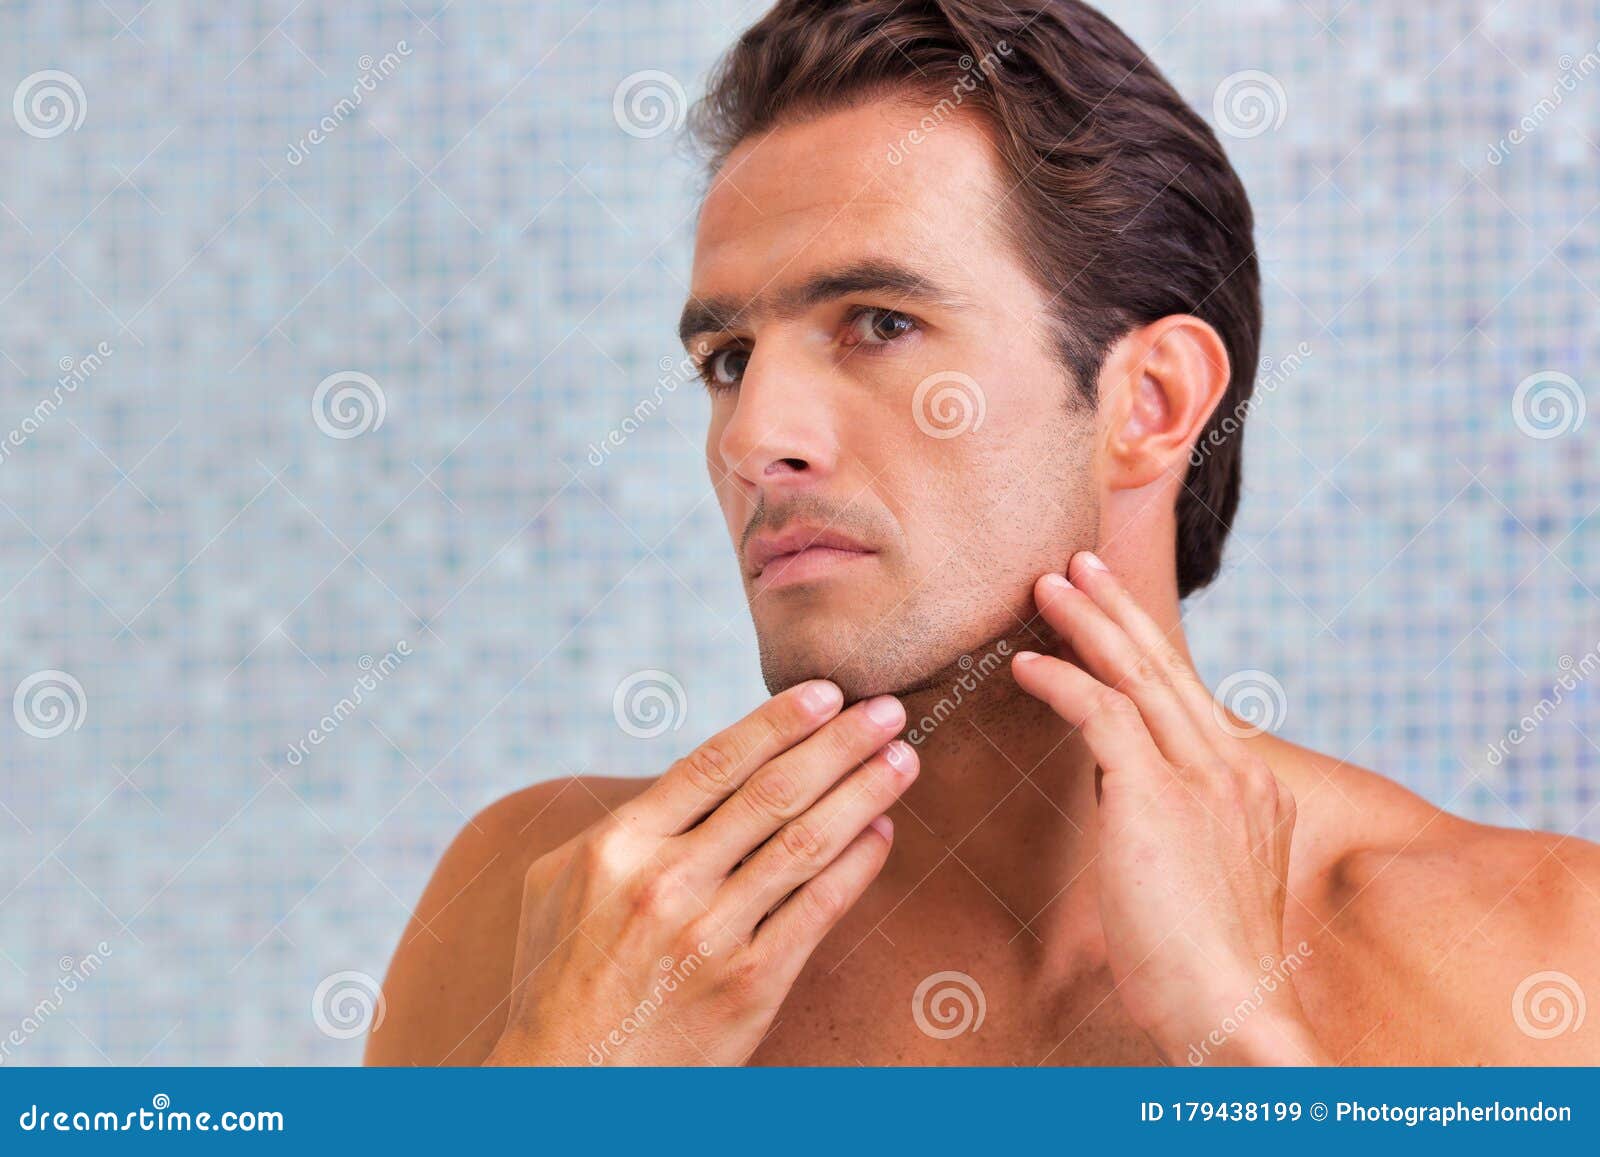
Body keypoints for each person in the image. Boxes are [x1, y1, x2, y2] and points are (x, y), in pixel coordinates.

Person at [366, 0, 1599, 1066]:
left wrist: (1241, 1037)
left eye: (878, 322)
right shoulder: (538, 919)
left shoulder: (1538, 961)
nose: (755, 436)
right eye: (728, 358)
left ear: (1149, 404)